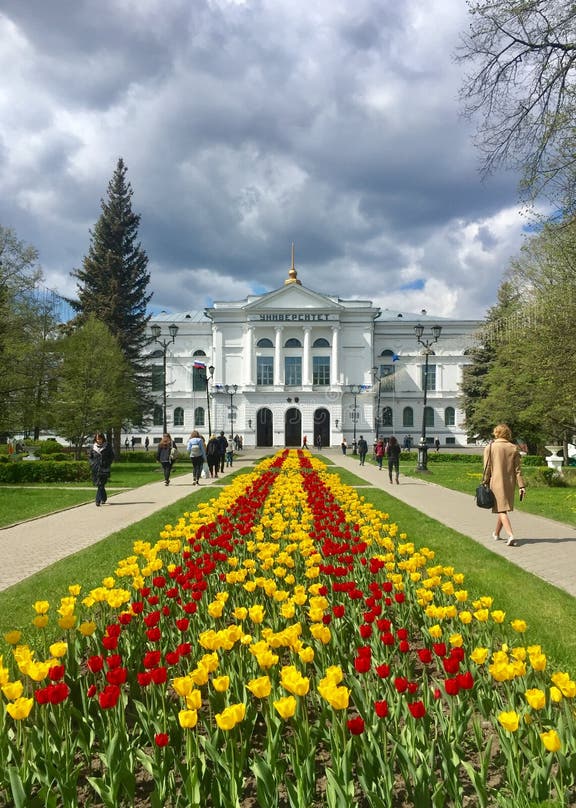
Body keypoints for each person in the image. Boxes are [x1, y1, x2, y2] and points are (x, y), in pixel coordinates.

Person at [483, 423, 526, 547]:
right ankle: (496, 533)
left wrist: (485, 481)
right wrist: (521, 486)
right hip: (510, 483)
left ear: (496, 433)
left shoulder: (490, 447)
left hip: (496, 482)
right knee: (502, 508)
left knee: (501, 510)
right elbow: (518, 470)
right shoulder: (513, 448)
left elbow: (487, 468)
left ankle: (510, 535)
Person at [89, 432, 115, 506]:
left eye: (100, 439)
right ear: (96, 439)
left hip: (104, 468)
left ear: (103, 439)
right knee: (100, 485)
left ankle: (97, 500)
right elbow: (90, 457)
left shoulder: (107, 446)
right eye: (98, 439)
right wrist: (92, 463)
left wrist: (107, 463)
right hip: (95, 468)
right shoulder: (92, 447)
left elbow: (112, 456)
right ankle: (104, 498)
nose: (99, 440)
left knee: (101, 484)